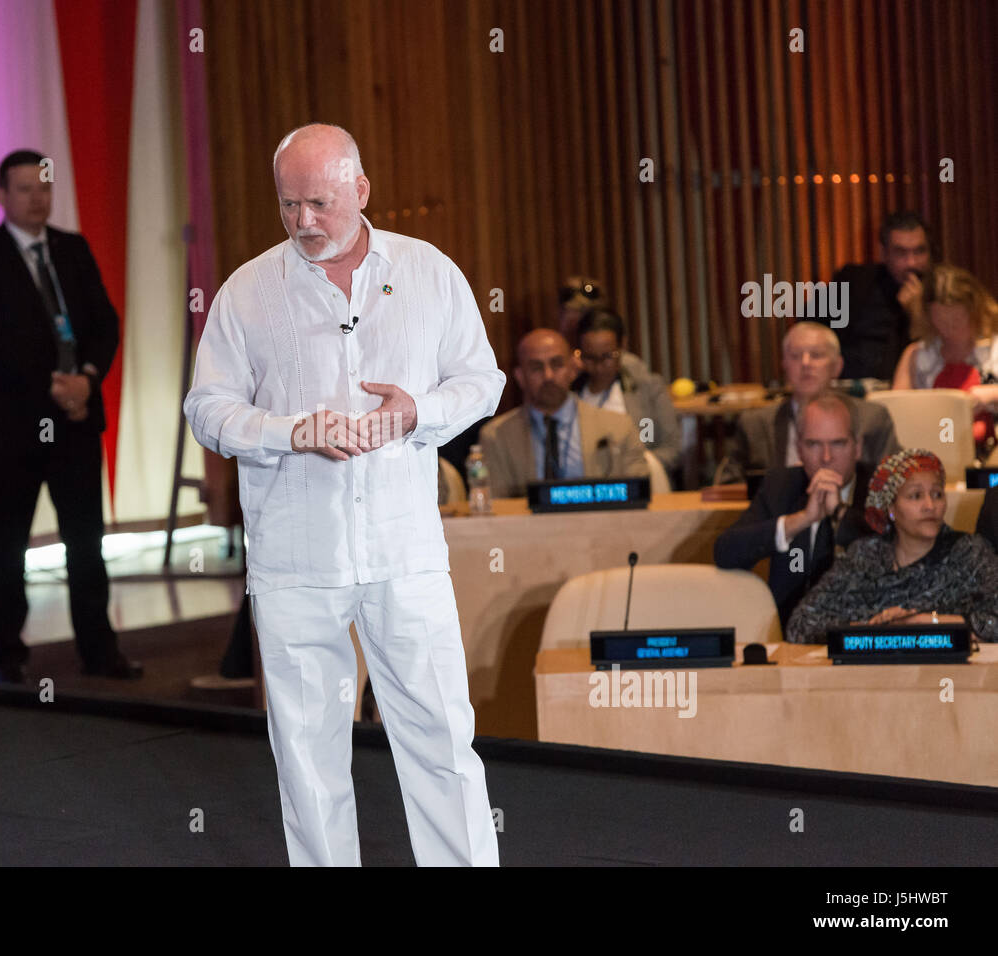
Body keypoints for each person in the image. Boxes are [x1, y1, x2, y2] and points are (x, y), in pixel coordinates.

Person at [183, 124, 503, 866]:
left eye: (320, 204)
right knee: (307, 755)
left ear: (361, 191)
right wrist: (290, 432)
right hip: (296, 559)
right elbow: (208, 408)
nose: (304, 223)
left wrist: (416, 411)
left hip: (404, 553)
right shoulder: (248, 291)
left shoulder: (428, 271)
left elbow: (482, 381)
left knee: (442, 739)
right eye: (289, 205)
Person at [0, 149, 138, 683]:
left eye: (44, 188)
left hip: (77, 419)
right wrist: (53, 389)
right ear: (1, 196)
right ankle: (6, 655)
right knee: (6, 543)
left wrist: (85, 378)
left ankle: (99, 652)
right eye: (25, 189)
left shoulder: (72, 249)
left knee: (86, 540)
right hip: (15, 425)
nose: (37, 199)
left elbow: (105, 323)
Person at [786, 449, 998, 643]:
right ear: (890, 509)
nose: (930, 506)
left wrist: (929, 622)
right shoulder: (865, 555)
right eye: (915, 496)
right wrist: (877, 630)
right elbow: (801, 624)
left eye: (937, 494)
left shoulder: (970, 552)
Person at [714, 395, 875, 626]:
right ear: (799, 449)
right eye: (813, 444)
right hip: (791, 637)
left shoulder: (880, 487)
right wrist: (800, 520)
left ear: (857, 448)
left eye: (838, 443)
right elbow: (725, 552)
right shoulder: (780, 485)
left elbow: (894, 553)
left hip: (864, 636)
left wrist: (840, 512)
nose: (826, 458)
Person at [714, 321, 900, 484]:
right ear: (784, 365)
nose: (805, 363)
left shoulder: (872, 419)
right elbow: (728, 488)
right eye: (795, 356)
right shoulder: (755, 424)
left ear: (837, 366)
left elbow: (896, 481)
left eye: (816, 355)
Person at [478, 328, 647, 498]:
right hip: (527, 524)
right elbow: (494, 508)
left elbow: (638, 495)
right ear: (520, 377)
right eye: (536, 368)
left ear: (573, 369)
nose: (548, 376)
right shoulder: (496, 436)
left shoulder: (618, 427)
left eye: (557, 364)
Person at [572, 307, 680, 477]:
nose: (599, 366)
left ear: (623, 345)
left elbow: (672, 448)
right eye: (590, 358)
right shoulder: (571, 395)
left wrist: (642, 470)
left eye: (607, 356)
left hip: (641, 480)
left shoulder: (647, 388)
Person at [831, 210, 932, 381]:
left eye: (919, 251)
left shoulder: (940, 292)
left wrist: (917, 313)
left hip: (914, 392)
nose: (911, 263)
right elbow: (811, 329)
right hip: (850, 391)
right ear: (884, 254)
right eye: (901, 253)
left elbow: (938, 356)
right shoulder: (854, 282)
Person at [892, 263, 998, 390]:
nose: (950, 328)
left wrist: (992, 396)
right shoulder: (917, 355)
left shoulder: (994, 349)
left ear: (976, 311)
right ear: (927, 317)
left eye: (957, 319)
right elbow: (897, 405)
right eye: (941, 320)